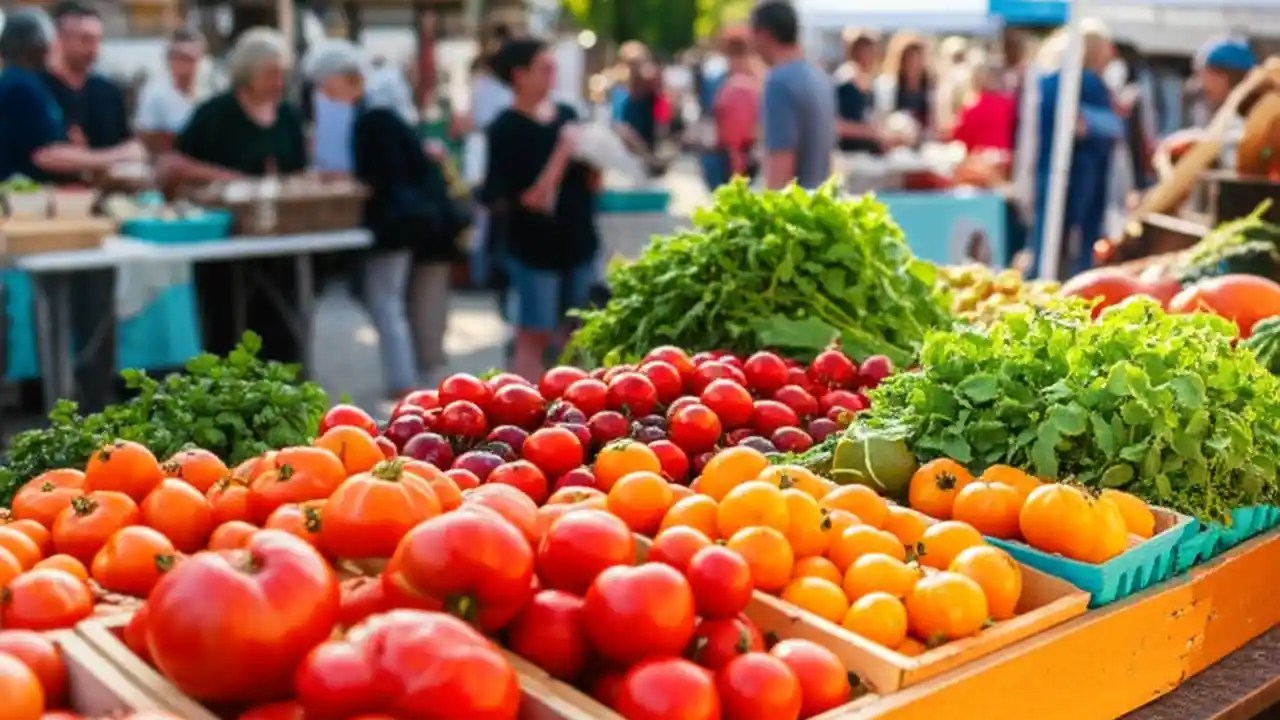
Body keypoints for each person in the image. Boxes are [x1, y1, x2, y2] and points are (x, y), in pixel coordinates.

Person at [0, 7, 139, 412]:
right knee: (61, 311)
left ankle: (70, 396)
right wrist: (111, 157)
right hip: (35, 219)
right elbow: (45, 154)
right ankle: (69, 401)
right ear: (40, 45)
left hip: (37, 214)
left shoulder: (21, 84)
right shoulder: (23, 87)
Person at [306, 41, 462, 398]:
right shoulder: (382, 111)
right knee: (392, 300)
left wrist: (342, 180)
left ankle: (404, 380)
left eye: (327, 86)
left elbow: (380, 177)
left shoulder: (372, 117)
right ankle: (409, 375)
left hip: (395, 226)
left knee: (385, 301)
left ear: (346, 79)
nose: (325, 94)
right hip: (412, 224)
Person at [166, 28, 309, 362]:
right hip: (223, 238)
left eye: (281, 73)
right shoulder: (215, 113)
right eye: (270, 73)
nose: (278, 81)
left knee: (281, 327)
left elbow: (298, 170)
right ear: (248, 71)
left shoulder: (288, 116)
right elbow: (173, 164)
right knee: (226, 325)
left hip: (278, 238)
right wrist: (227, 178)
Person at [484, 38, 599, 380]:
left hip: (579, 243)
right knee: (533, 334)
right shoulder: (506, 128)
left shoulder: (567, 114)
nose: (553, 75)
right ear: (519, 75)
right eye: (544, 68)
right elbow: (532, 199)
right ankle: (522, 406)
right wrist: (563, 151)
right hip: (534, 250)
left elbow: (591, 185)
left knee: (578, 332)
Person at [1032, 20, 1124, 279]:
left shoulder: (1048, 81)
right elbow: (1096, 127)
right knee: (1082, 242)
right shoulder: (1089, 83)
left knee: (1048, 238)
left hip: (1049, 170)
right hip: (1084, 171)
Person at [42, 2, 145, 175]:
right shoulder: (37, 89)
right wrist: (111, 157)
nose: (93, 48)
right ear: (60, 38)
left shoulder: (107, 92)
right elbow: (44, 155)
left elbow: (133, 149)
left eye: (97, 40)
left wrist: (82, 158)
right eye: (85, 39)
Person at [750, 0, 836, 189]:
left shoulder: (779, 82)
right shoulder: (820, 78)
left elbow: (780, 170)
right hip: (817, 204)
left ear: (763, 35)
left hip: (794, 211)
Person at [134, 28, 205, 155]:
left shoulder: (208, 93)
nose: (190, 65)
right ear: (171, 60)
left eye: (195, 59)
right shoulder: (155, 94)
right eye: (184, 59)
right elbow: (145, 137)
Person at [712, 32, 761, 183]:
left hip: (737, 160)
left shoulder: (736, 86)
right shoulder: (759, 80)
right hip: (754, 156)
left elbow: (733, 136)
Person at [875, 34, 934, 139]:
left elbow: (934, 124)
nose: (914, 65)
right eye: (909, 60)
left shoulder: (930, 87)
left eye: (918, 60)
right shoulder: (888, 85)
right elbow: (883, 121)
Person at [950, 63, 1016, 155]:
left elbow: (959, 136)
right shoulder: (1011, 105)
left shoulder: (971, 109)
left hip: (979, 162)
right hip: (1005, 161)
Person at [834, 30, 882, 155]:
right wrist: (864, 131)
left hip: (866, 151)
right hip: (848, 153)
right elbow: (835, 124)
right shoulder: (844, 82)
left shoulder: (869, 83)